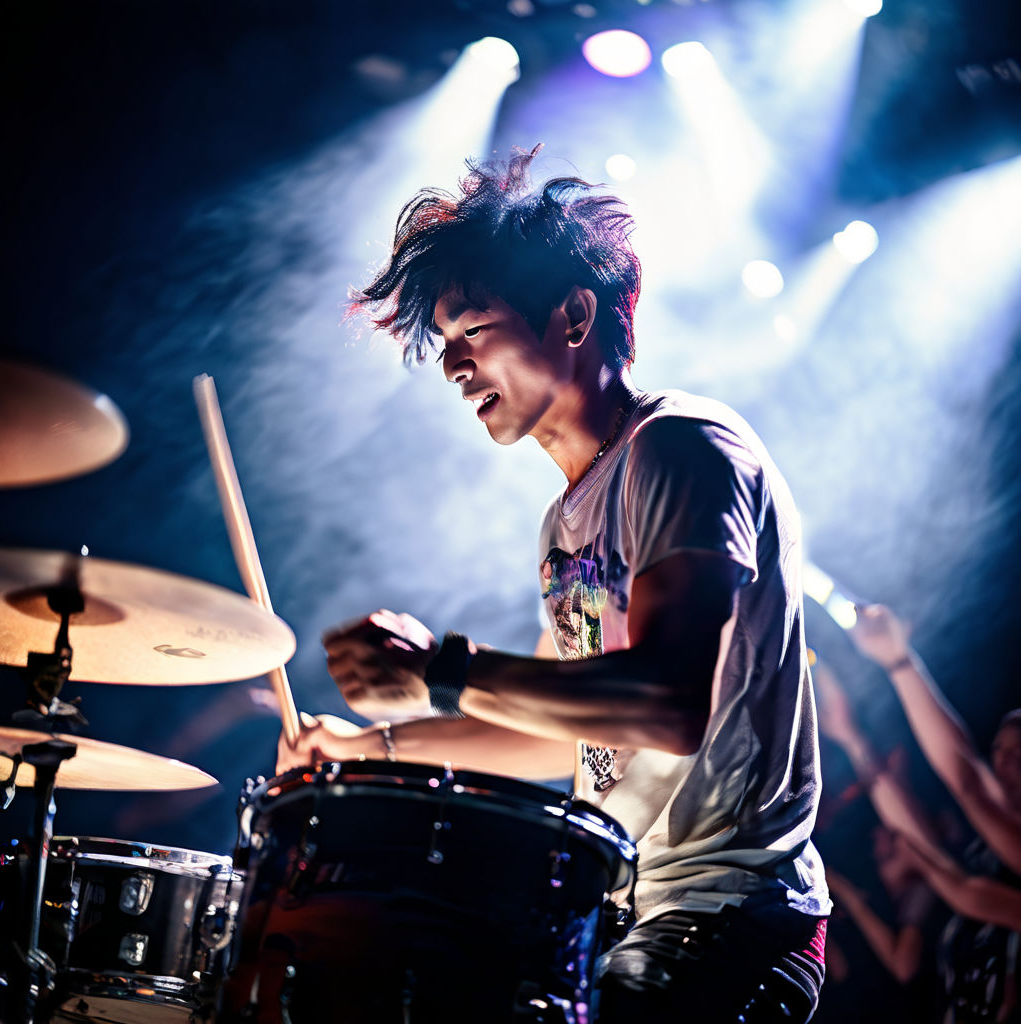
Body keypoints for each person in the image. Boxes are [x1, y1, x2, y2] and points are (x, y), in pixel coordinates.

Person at [278, 146, 830, 1022]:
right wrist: (361, 754)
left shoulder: (684, 448)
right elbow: (558, 741)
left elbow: (669, 705)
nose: (454, 368)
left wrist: (441, 669)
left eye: (475, 330)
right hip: (631, 912)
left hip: (732, 914)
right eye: (447, 344)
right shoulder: (568, 518)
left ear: (573, 314)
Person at [814, 630, 1021, 1022]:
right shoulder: (983, 853)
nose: (1004, 762)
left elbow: (967, 784)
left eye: (1019, 752)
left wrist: (899, 662)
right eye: (998, 750)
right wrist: (851, 738)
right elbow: (921, 836)